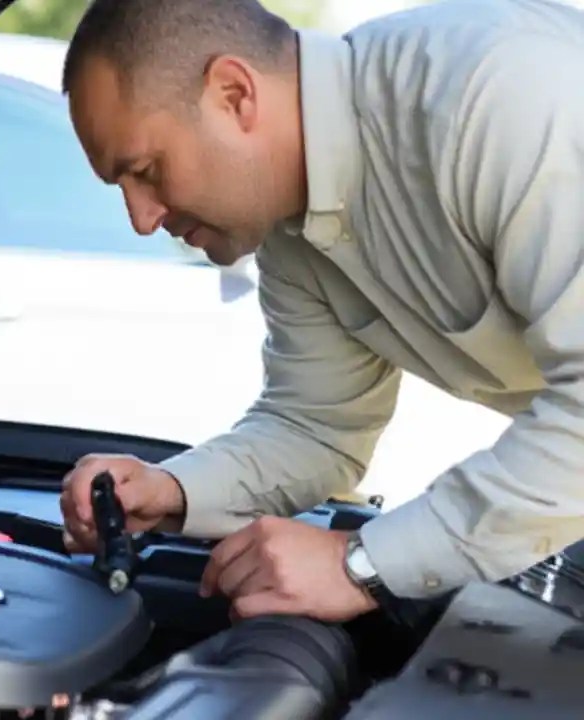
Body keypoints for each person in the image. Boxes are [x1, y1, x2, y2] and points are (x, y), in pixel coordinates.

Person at [57, 0, 584, 623]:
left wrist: (358, 563)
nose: (142, 219)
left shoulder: (500, 97)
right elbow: (316, 427)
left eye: (146, 171)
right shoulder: (289, 228)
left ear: (234, 94)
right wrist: (173, 489)